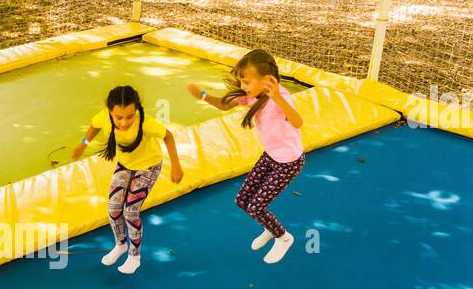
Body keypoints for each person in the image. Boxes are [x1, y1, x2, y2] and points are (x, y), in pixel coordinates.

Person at [188, 49, 304, 263]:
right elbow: (224, 105)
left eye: (247, 82)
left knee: (256, 206)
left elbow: (298, 122)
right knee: (242, 200)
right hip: (271, 156)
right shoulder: (253, 97)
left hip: (288, 162)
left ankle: (284, 237)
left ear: (267, 80)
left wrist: (277, 97)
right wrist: (202, 95)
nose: (243, 87)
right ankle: (269, 229)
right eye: (242, 82)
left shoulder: (282, 98)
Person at [71, 85, 183, 274]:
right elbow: (93, 128)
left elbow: (168, 136)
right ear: (110, 112)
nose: (124, 122)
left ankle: (134, 256)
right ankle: (121, 245)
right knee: (113, 208)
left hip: (149, 166)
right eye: (119, 117)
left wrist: (176, 166)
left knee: (130, 210)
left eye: (129, 116)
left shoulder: (145, 123)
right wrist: (81, 146)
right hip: (125, 165)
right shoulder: (103, 117)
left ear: (137, 110)